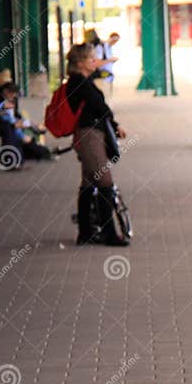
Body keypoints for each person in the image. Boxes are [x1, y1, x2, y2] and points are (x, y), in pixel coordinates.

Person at [65, 43, 129, 246]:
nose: (95, 61)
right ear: (81, 63)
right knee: (105, 182)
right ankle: (109, 233)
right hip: (89, 136)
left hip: (92, 134)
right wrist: (115, 123)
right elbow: (99, 106)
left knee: (88, 183)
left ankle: (85, 232)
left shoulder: (83, 80)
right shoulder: (78, 83)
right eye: (91, 59)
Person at [0, 70, 24, 170]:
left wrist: (19, 120)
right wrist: (1, 107)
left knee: (12, 128)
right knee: (8, 127)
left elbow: (15, 114)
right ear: (6, 91)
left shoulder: (1, 97)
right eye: (11, 95)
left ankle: (15, 159)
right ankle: (10, 160)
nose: (12, 98)